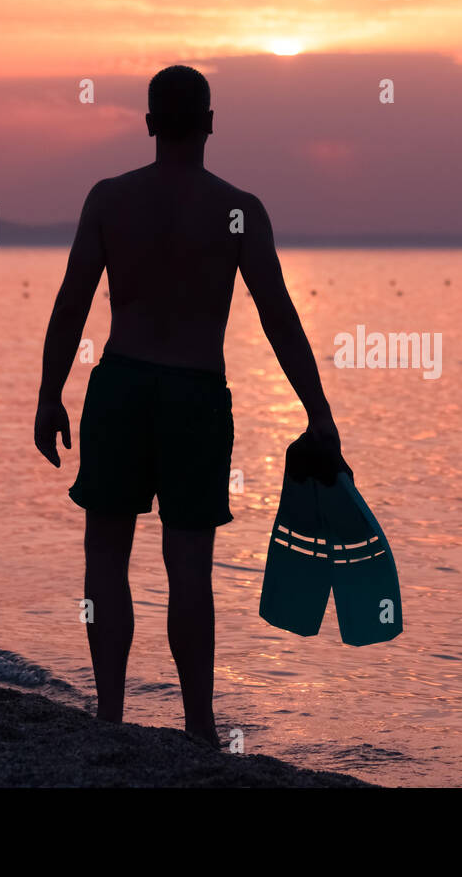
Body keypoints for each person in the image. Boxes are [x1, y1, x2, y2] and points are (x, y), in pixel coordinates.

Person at [33, 65, 340, 746]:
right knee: (189, 568)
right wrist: (318, 410)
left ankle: (109, 716)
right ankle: (198, 726)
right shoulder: (238, 210)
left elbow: (71, 300)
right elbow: (279, 317)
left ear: (148, 124)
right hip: (196, 395)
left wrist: (49, 394)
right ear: (208, 123)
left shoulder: (110, 200)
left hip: (119, 387)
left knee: (105, 560)